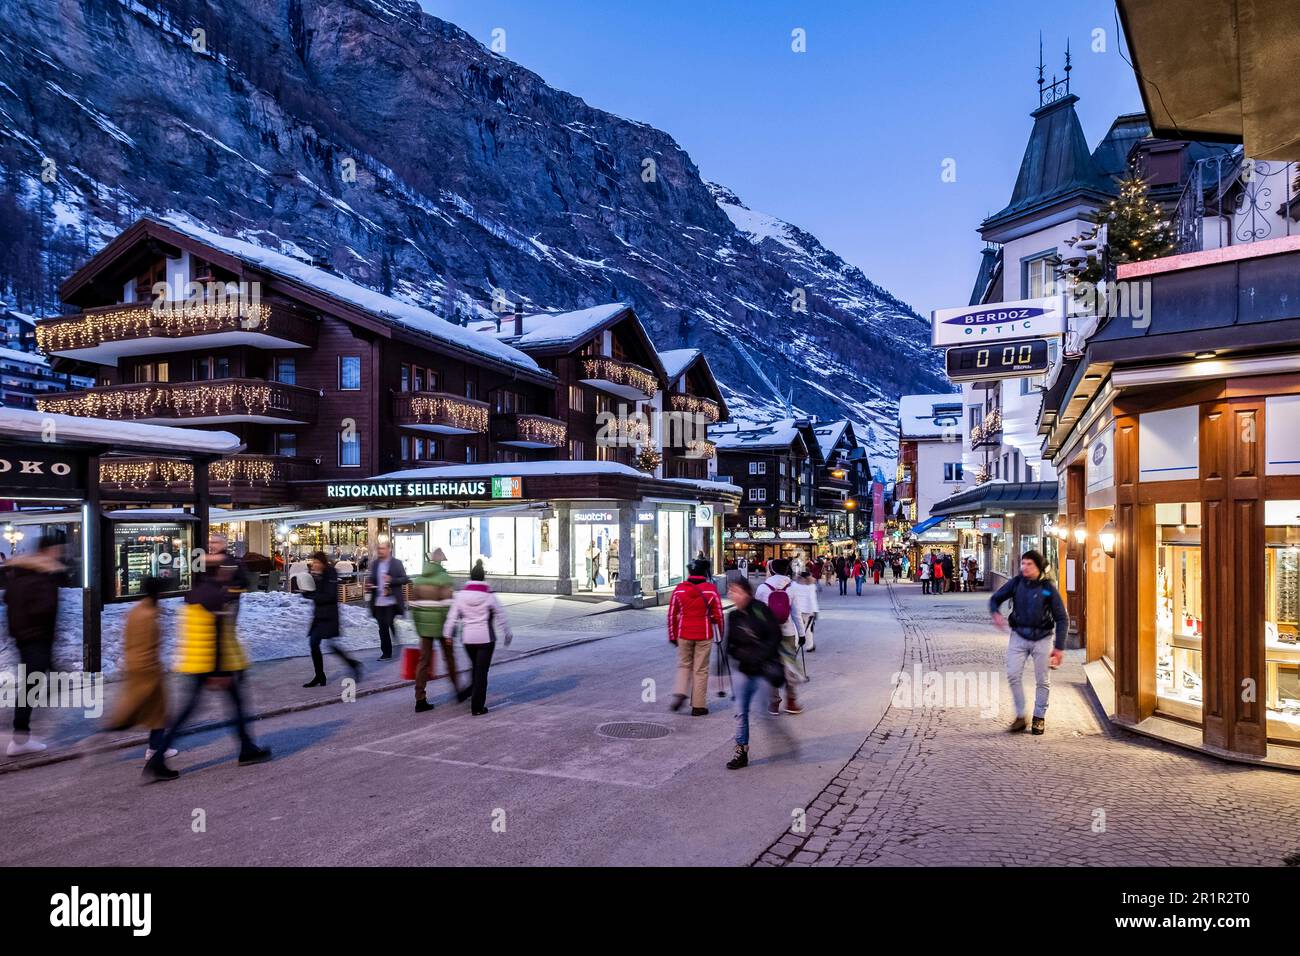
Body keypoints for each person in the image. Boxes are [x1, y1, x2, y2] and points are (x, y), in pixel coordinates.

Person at [143, 545, 271, 781]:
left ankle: (246, 748)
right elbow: (216, 636)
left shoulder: (197, 590)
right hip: (212, 663)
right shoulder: (216, 596)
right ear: (216, 570)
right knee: (225, 707)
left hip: (197, 661)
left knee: (202, 710)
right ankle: (246, 749)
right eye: (224, 567)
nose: (228, 570)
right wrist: (219, 672)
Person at [989, 550, 1069, 735]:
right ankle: (1020, 715)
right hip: (1018, 635)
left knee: (1042, 680)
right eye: (1023, 563)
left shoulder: (1047, 587)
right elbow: (996, 598)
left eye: (1029, 564)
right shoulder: (1017, 583)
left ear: (1038, 567)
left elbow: (1062, 618)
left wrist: (1059, 648)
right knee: (1013, 674)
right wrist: (996, 613)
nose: (1024, 567)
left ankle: (1039, 717)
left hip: (1043, 638)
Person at [4, 534, 66, 756]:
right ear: (49, 550)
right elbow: (44, 609)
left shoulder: (21, 573)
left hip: (26, 637)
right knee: (31, 685)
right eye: (58, 549)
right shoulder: (41, 575)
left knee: (32, 684)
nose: (60, 553)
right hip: (36, 637)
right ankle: (20, 739)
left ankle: (21, 736)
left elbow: (11, 601)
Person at [103, 576, 176, 764]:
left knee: (150, 713)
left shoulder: (138, 611)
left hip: (136, 667)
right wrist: (154, 670)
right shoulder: (148, 616)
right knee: (152, 713)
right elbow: (147, 648)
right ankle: (153, 748)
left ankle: (155, 746)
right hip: (146, 671)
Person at [723, 576, 784, 770]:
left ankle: (780, 739)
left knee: (761, 712)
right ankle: (741, 750)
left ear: (746, 592)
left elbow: (775, 636)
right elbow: (730, 644)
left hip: (761, 670)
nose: (732, 595)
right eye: (731, 591)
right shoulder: (733, 616)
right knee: (741, 712)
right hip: (742, 671)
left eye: (736, 591)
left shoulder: (760, 610)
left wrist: (758, 656)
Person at [444, 562, 513, 715]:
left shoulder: (460, 595)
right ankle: (477, 707)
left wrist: (447, 634)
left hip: (468, 640)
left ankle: (465, 693)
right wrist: (507, 633)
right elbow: (501, 615)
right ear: (483, 577)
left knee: (476, 668)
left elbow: (452, 616)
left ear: (470, 577)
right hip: (485, 640)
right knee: (481, 672)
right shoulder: (489, 595)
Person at [409, 548, 464, 712]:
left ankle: (420, 699)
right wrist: (450, 631)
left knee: (423, 662)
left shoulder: (418, 580)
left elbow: (413, 607)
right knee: (449, 659)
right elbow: (449, 608)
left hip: (424, 629)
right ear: (440, 561)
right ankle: (458, 691)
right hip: (442, 627)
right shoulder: (444, 579)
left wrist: (419, 627)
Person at [667, 559, 723, 716]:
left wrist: (672, 635)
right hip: (704, 634)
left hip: (684, 634)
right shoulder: (710, 590)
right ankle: (698, 706)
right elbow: (719, 615)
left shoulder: (679, 590)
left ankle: (680, 692)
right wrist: (720, 634)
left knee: (684, 665)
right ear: (705, 573)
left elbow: (671, 614)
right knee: (701, 670)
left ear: (690, 572)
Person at [301, 551, 361, 688]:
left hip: (329, 615)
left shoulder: (330, 574)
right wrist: (308, 592)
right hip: (319, 616)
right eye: (313, 562)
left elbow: (329, 595)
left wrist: (311, 595)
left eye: (316, 562)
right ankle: (320, 675)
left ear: (322, 563)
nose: (314, 565)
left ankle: (353, 665)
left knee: (330, 645)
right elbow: (314, 591)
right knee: (314, 644)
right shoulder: (316, 575)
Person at [755, 558, 806, 715]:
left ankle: (773, 703)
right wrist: (802, 634)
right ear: (786, 571)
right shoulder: (791, 588)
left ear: (772, 570)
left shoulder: (763, 588)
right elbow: (796, 614)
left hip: (769, 634)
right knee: (789, 667)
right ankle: (791, 702)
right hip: (787, 632)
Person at [367, 540, 409, 661]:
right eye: (379, 548)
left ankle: (393, 642)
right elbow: (372, 578)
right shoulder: (375, 564)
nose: (380, 551)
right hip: (378, 601)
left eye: (383, 548)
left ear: (389, 549)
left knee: (387, 623)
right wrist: (370, 584)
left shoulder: (396, 563)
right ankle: (386, 652)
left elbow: (405, 579)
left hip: (391, 601)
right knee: (382, 627)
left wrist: (392, 580)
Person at [791, 569, 819, 652]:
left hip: (796, 609)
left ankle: (795, 645)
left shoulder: (794, 584)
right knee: (807, 628)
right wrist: (815, 610)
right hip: (807, 610)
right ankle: (809, 646)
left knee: (796, 628)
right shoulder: (811, 586)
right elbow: (812, 599)